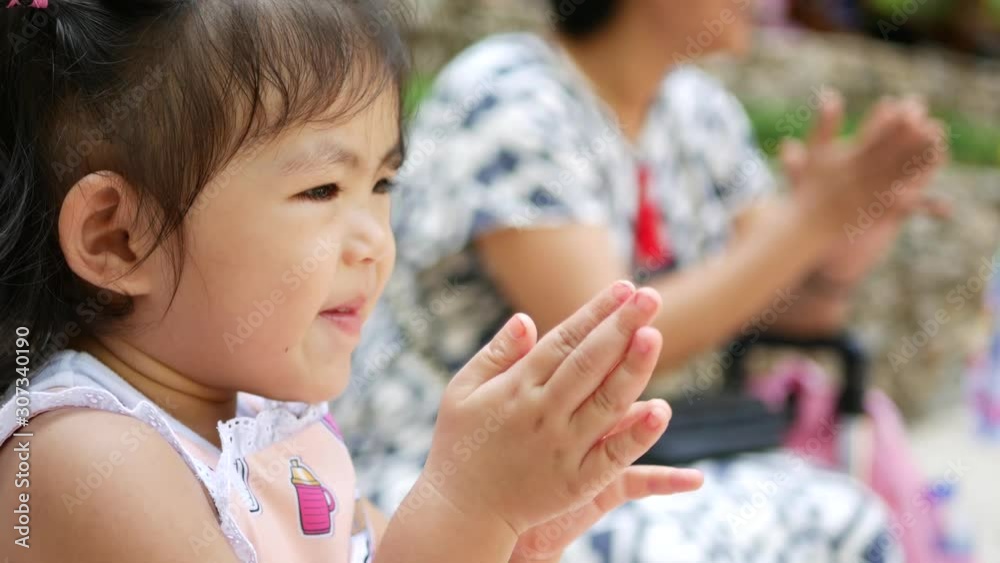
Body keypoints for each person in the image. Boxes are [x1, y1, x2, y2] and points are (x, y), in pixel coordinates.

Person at [0, 1, 706, 562]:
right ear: (118, 238)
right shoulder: (82, 461)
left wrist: (513, 537)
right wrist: (467, 506)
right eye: (322, 189)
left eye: (383, 183)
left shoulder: (272, 427)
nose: (374, 240)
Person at [337, 0, 947, 561]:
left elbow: (790, 312)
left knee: (848, 520)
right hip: (448, 468)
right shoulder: (507, 98)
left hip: (623, 452)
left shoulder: (698, 110)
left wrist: (839, 252)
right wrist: (811, 220)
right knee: (822, 522)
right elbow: (612, 348)